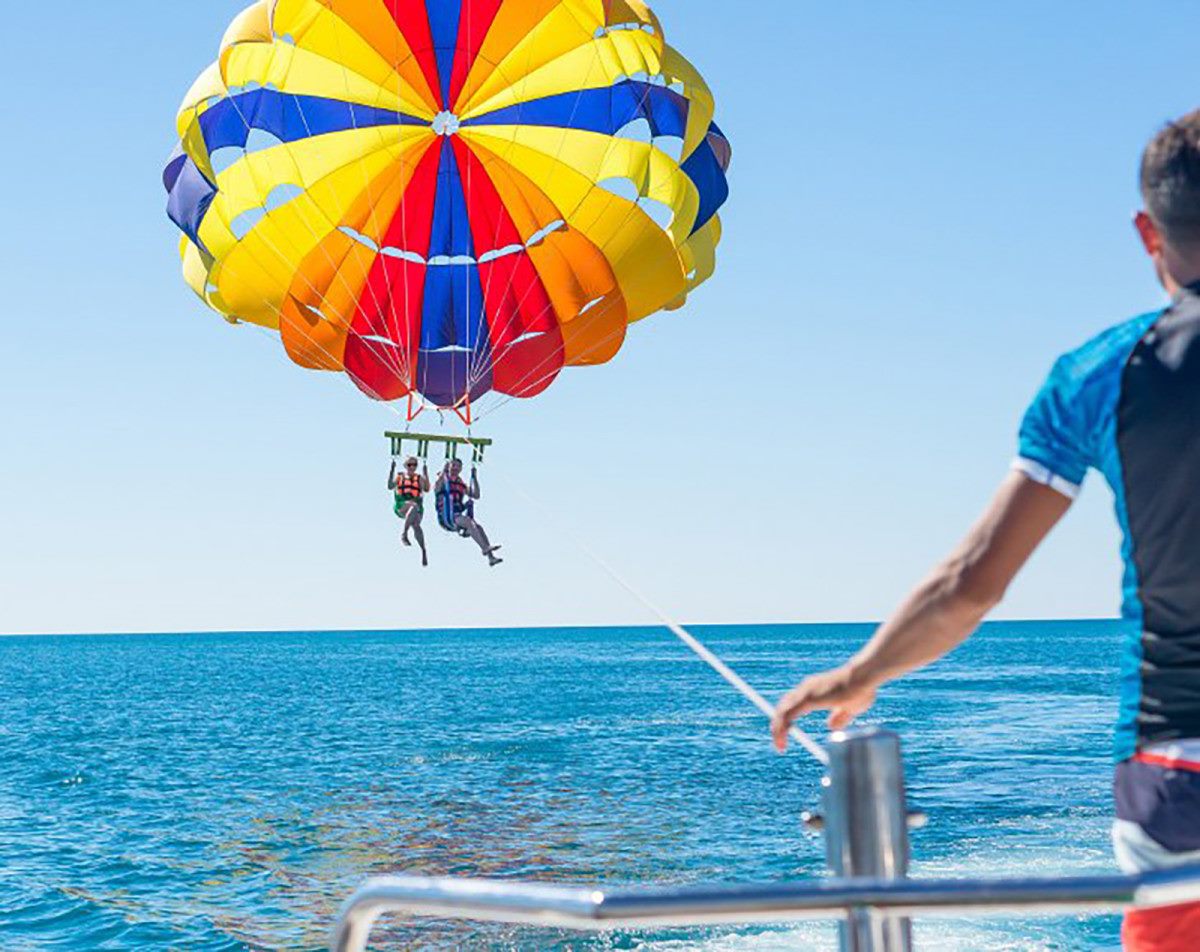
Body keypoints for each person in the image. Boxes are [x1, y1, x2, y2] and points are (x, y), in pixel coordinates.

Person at [771, 111, 1200, 950]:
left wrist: (862, 673)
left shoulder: (1099, 374)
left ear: (1147, 231)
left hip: (1174, 777)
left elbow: (973, 580)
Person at [435, 458, 502, 567]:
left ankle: (491, 558)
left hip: (457, 516)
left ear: (461, 469)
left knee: (478, 527)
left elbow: (476, 495)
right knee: (468, 522)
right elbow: (437, 487)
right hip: (447, 517)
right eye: (453, 465)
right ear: (449, 467)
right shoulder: (443, 481)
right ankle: (485, 548)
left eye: (458, 466)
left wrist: (474, 477)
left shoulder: (461, 484)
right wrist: (444, 470)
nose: (455, 468)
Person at [388, 456, 430, 567]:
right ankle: (404, 533)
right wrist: (392, 469)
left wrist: (426, 473)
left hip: (416, 506)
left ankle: (423, 550)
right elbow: (390, 486)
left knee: (416, 525)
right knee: (413, 506)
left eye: (415, 465)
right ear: (405, 466)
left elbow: (426, 489)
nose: (412, 467)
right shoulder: (399, 477)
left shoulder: (419, 478)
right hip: (401, 505)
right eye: (409, 465)